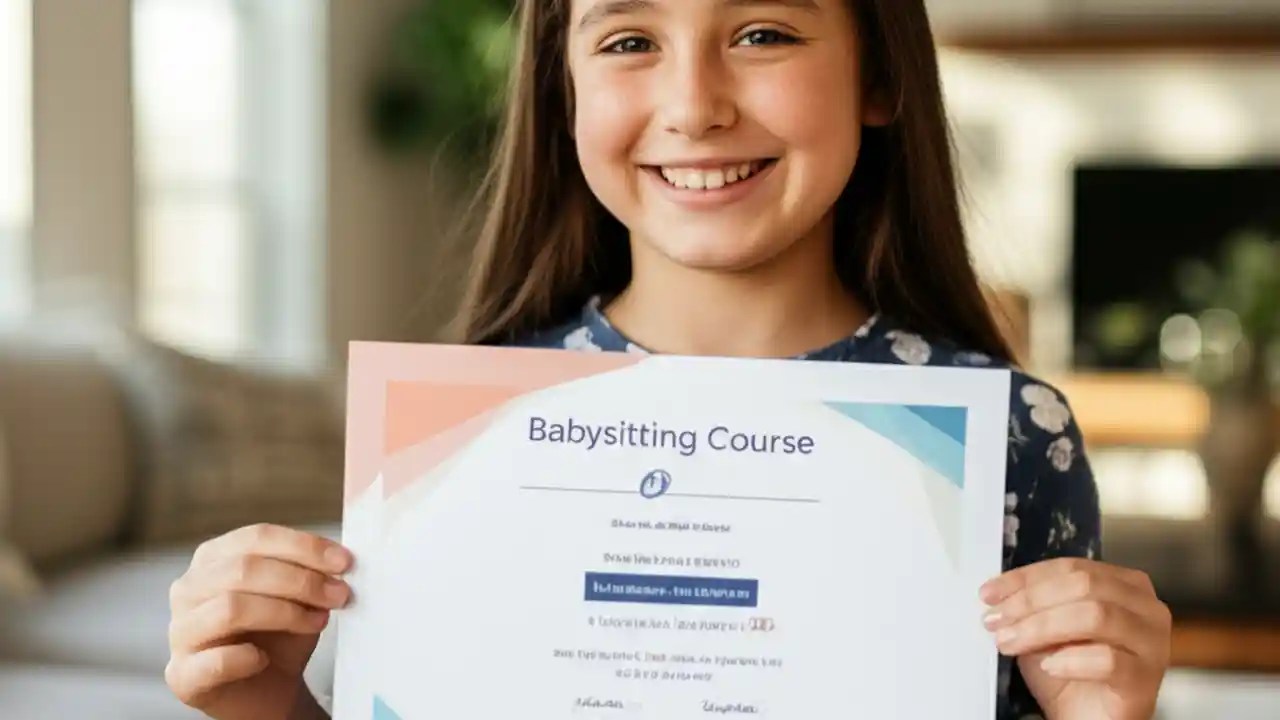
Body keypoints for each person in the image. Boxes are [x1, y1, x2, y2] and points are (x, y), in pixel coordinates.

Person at [166, 0, 1172, 718]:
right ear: (563, 90)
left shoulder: (1006, 433)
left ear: (878, 77)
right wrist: (269, 705)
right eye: (629, 39)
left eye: (761, 33)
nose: (694, 105)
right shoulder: (459, 435)